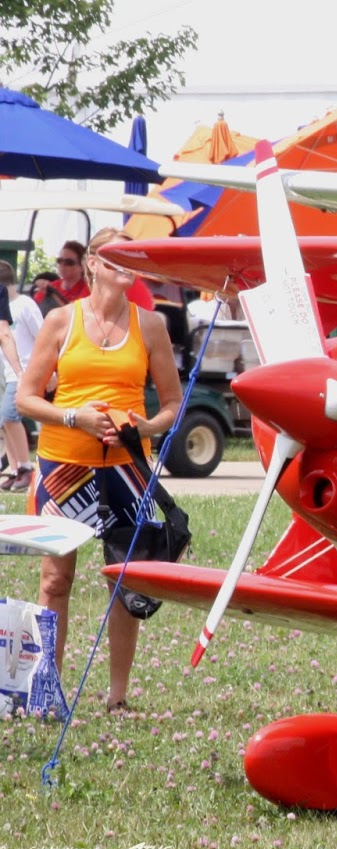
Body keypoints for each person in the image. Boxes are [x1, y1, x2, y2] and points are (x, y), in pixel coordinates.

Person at [16, 228, 182, 711]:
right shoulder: (61, 320)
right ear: (92, 263)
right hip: (64, 467)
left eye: (132, 253)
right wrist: (76, 417)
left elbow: (172, 403)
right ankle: (48, 691)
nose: (124, 262)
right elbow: (27, 398)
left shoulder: (150, 325)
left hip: (127, 470)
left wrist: (144, 426)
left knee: (125, 581)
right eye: (114, 255)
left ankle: (117, 697)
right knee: (54, 581)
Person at [0, 262, 41, 492]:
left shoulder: (25, 305)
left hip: (26, 370)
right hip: (7, 372)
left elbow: (42, 334)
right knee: (5, 422)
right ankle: (16, 470)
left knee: (9, 416)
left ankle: (26, 468)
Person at [37, 241, 90, 312]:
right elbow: (34, 308)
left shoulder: (88, 288)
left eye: (69, 262)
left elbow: (74, 314)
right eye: (59, 261)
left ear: (82, 266)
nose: (62, 265)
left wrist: (53, 295)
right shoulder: (52, 286)